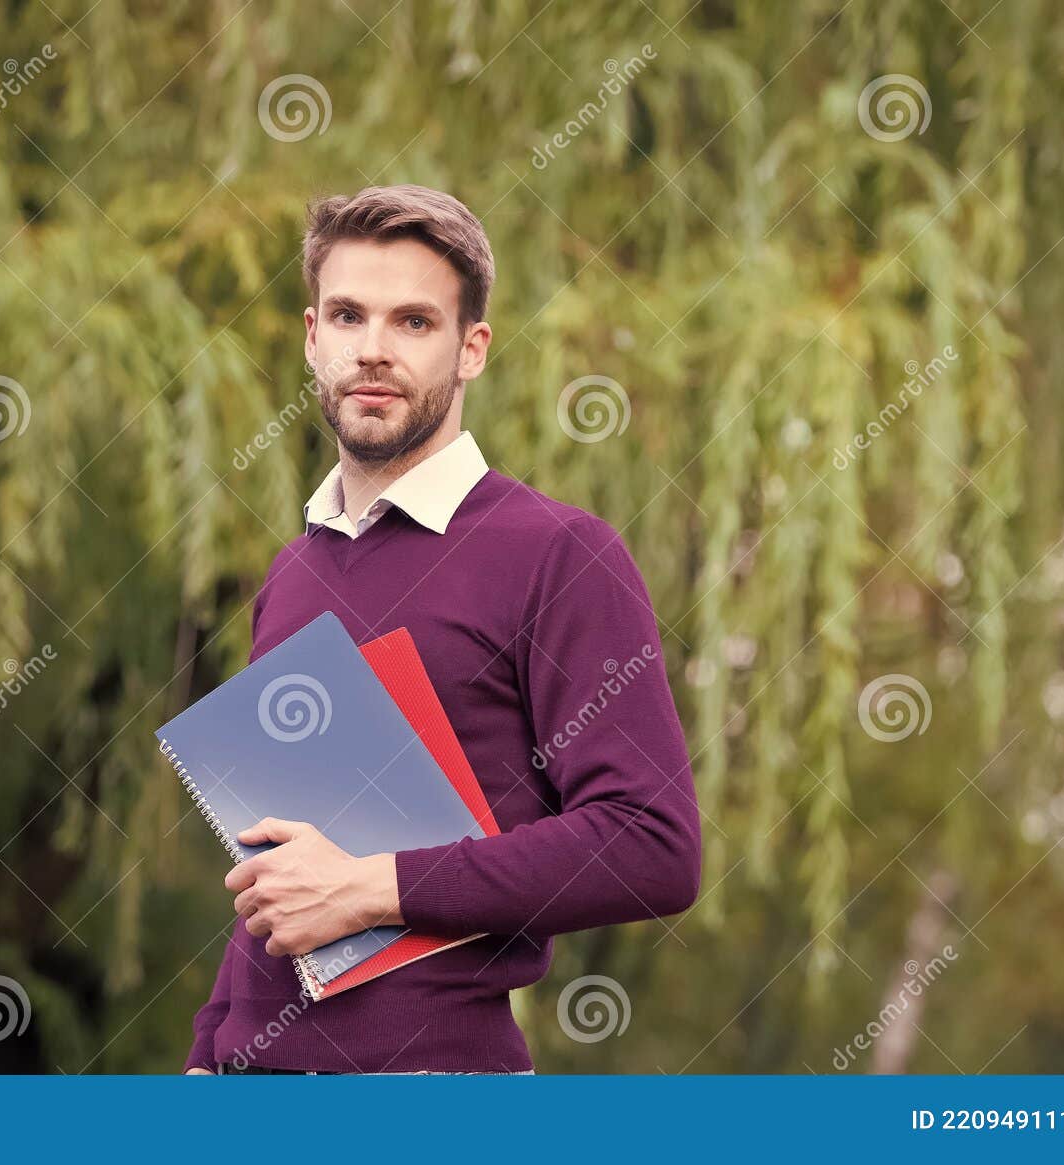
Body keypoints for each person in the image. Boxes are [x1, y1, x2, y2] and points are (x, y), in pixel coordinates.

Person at [184, 184, 701, 1074]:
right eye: (348, 315)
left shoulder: (559, 553)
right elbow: (276, 883)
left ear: (472, 350)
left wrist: (373, 886)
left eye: (414, 322)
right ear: (312, 338)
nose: (373, 349)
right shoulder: (292, 573)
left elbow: (653, 844)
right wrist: (205, 1052)